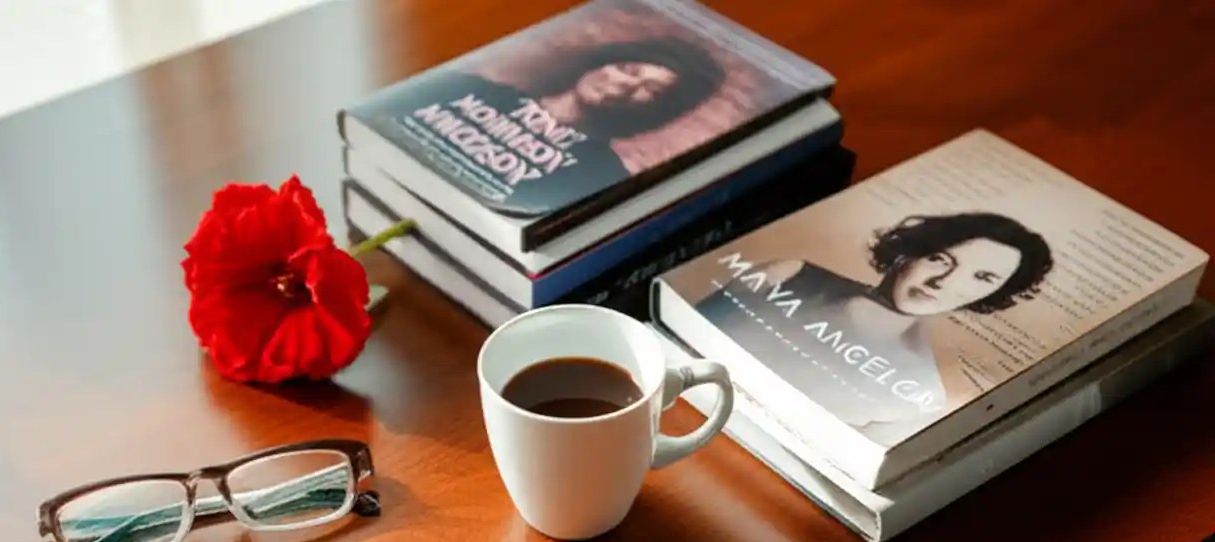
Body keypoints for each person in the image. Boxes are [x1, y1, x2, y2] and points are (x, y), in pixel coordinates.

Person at [695, 212, 1054, 440]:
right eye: (939, 259)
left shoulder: (921, 388)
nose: (943, 282)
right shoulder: (788, 274)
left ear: (993, 293)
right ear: (908, 253)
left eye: (983, 277)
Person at [357, 36, 725, 216]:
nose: (625, 85)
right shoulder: (464, 89)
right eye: (628, 69)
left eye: (651, 90)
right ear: (604, 61)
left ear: (656, 110)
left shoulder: (600, 175)